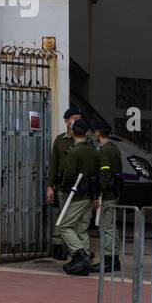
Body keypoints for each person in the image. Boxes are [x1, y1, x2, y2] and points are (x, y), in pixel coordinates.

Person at [51, 118, 101, 276]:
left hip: (77, 194)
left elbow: (69, 173)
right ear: (86, 133)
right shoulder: (93, 150)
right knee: (82, 227)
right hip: (90, 193)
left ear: (73, 132)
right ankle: (82, 261)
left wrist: (63, 184)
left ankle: (80, 255)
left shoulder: (74, 151)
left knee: (64, 226)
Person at [45, 106, 82, 261]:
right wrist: (49, 186)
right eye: (74, 118)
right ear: (67, 121)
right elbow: (54, 164)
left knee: (79, 218)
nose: (77, 121)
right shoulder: (60, 140)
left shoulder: (83, 139)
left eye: (79, 118)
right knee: (61, 215)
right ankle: (58, 246)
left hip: (80, 186)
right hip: (62, 185)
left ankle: (78, 250)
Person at [92, 119, 124, 272]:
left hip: (107, 194)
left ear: (98, 132)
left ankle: (108, 260)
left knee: (106, 228)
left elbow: (104, 173)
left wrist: (98, 193)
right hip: (114, 192)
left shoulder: (104, 150)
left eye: (95, 132)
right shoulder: (114, 148)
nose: (93, 134)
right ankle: (114, 260)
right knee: (112, 227)